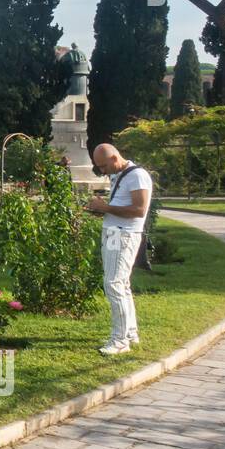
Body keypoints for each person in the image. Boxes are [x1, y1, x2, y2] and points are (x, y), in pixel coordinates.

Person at [85, 143, 153, 356]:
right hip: (114, 232)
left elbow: (139, 210)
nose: (103, 171)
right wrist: (101, 210)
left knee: (113, 284)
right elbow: (121, 206)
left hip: (123, 234)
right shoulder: (119, 175)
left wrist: (105, 208)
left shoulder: (137, 176)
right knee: (120, 283)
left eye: (104, 166)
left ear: (115, 158)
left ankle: (120, 340)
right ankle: (130, 332)